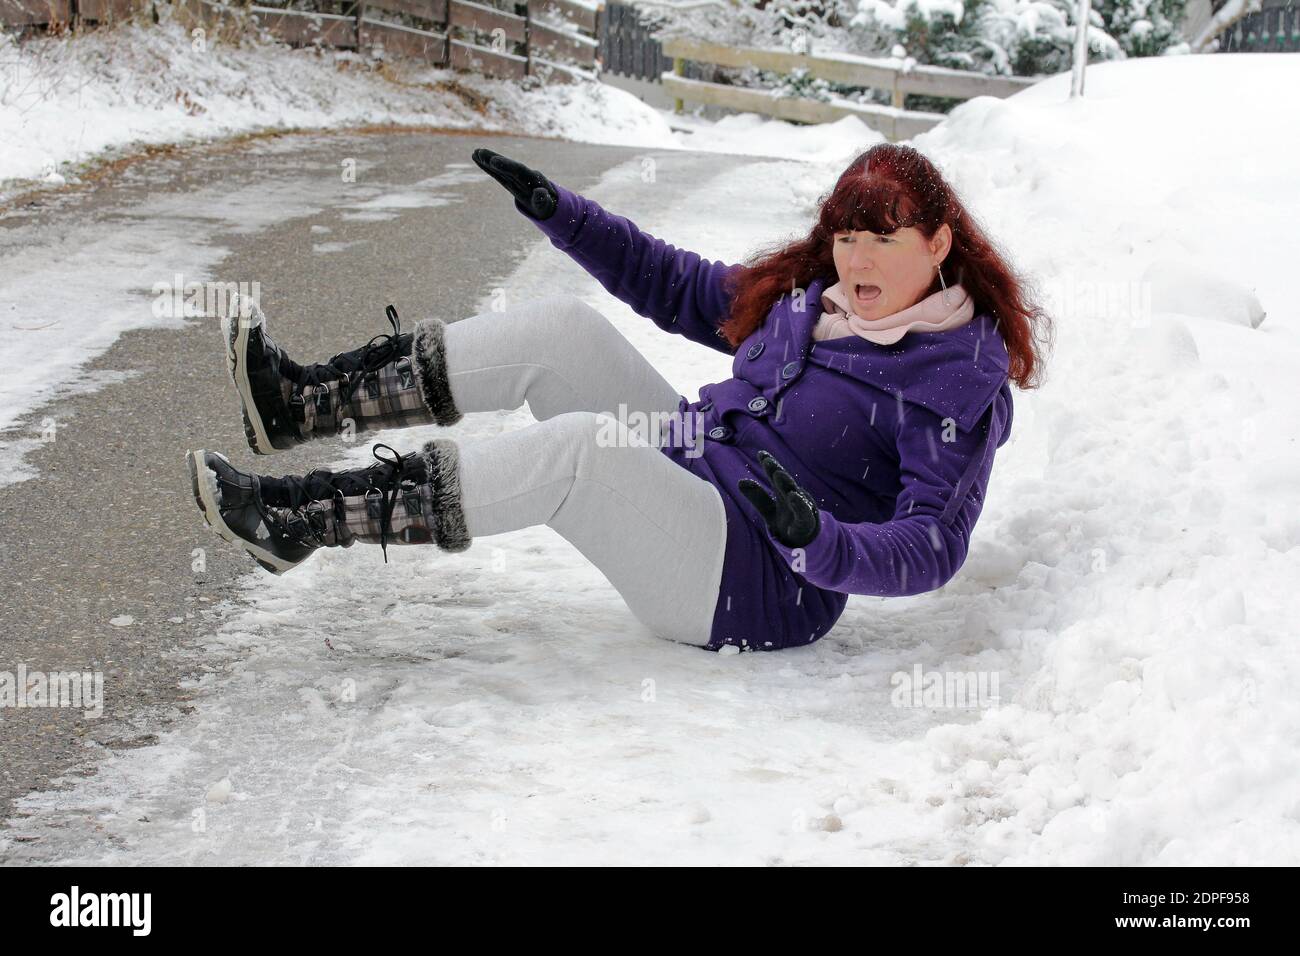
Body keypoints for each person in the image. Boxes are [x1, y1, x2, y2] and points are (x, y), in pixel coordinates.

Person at [186, 143, 1050, 652]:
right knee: (565, 331)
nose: (857, 261)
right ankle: (301, 404)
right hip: (695, 466)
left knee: (585, 454)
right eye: (846, 237)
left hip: (757, 581)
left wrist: (818, 543)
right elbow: (674, 285)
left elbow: (932, 543)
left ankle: (301, 520)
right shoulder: (810, 297)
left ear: (937, 243)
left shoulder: (954, 380)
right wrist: (561, 213)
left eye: (882, 241)